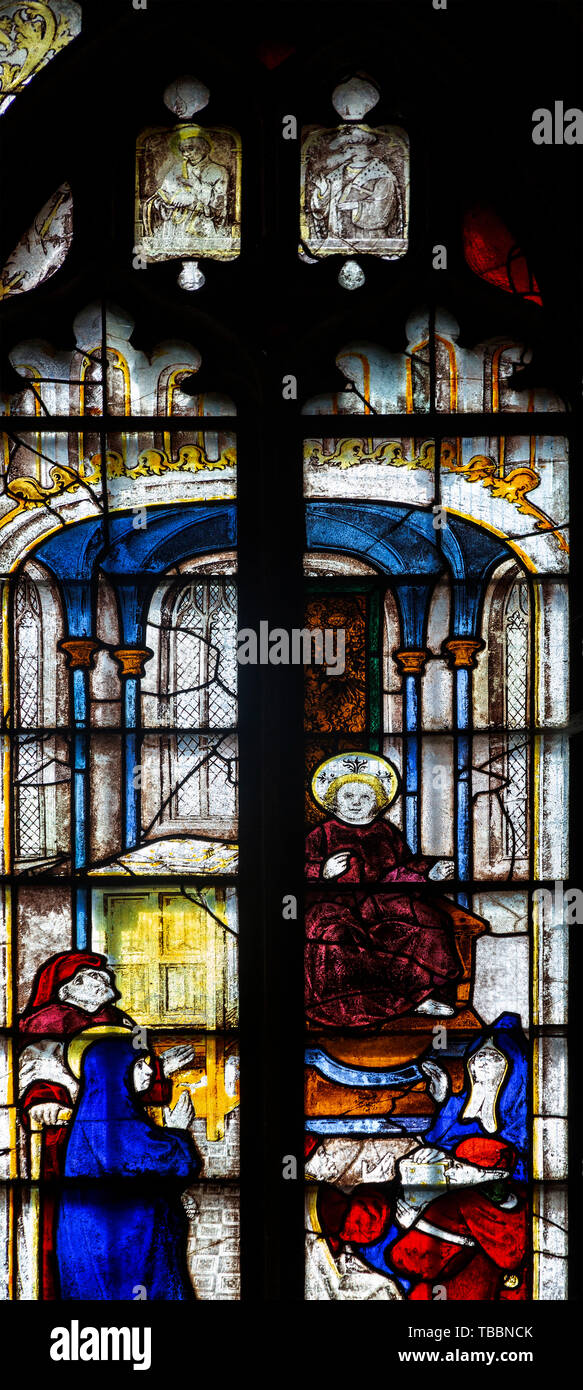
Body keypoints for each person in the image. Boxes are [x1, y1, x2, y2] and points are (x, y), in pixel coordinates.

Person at [18, 950, 195, 1296]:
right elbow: (39, 1069)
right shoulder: (51, 1022)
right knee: (83, 1232)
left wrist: (161, 1069)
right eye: (95, 977)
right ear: (69, 988)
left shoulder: (116, 1020)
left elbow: (125, 1079)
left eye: (104, 975)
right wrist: (45, 1098)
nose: (106, 981)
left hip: (122, 1131)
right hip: (71, 1140)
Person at [305, 753, 460, 1027]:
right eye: (348, 796)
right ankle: (363, 1009)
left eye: (364, 798)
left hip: (380, 902)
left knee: (430, 921)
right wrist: (323, 872)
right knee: (337, 938)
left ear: (377, 803)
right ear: (333, 799)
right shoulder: (321, 834)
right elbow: (294, 871)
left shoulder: (385, 832)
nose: (355, 803)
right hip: (332, 909)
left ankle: (420, 996)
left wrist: (429, 872)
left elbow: (404, 866)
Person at [56, 1035, 200, 1300]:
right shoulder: (109, 1118)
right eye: (138, 1064)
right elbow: (154, 1161)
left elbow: (136, 1175)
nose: (148, 1070)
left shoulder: (106, 1113)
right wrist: (178, 1131)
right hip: (116, 1245)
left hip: (115, 1235)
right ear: (115, 1071)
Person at [142, 130, 229, 246]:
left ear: (203, 147)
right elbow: (160, 197)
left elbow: (219, 204)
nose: (186, 154)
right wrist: (173, 200)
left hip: (201, 226)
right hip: (174, 227)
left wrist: (194, 192)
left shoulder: (218, 171)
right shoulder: (176, 169)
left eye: (190, 149)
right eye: (183, 151)